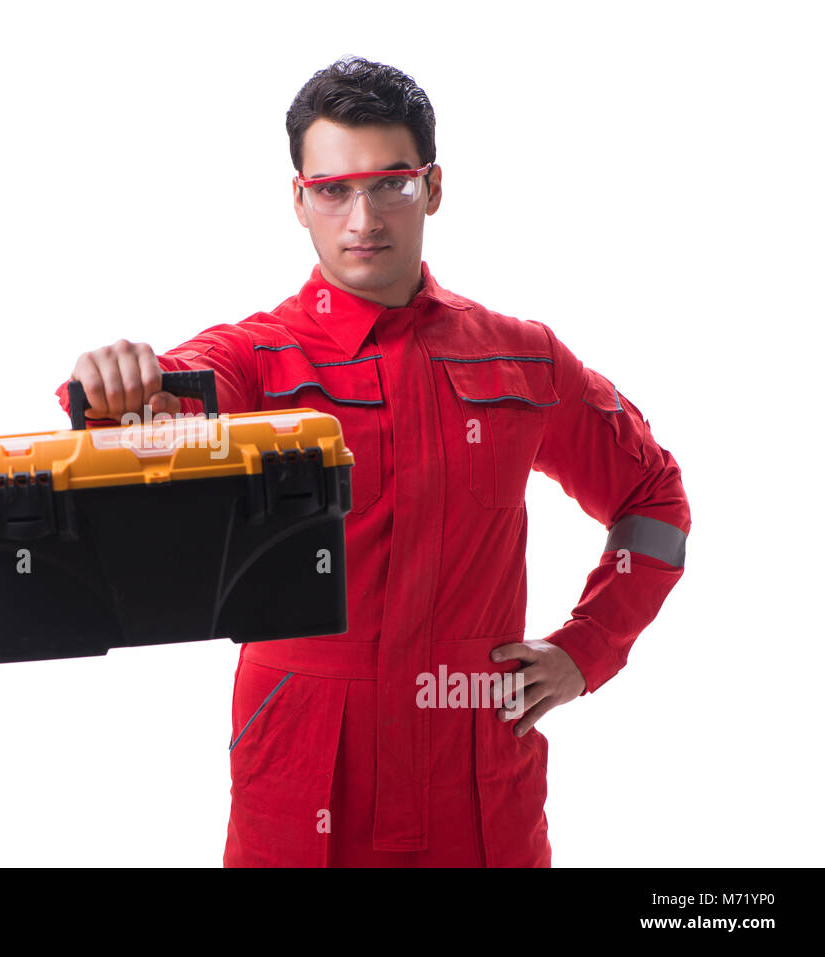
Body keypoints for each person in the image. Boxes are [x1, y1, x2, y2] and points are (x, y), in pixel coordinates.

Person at [54, 56, 690, 867]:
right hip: (308, 771)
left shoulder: (523, 362)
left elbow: (653, 496)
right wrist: (118, 389)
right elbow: (161, 409)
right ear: (299, 200)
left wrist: (586, 649)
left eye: (390, 183)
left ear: (432, 187)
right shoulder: (256, 359)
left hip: (476, 777)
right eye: (333, 190)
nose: (363, 219)